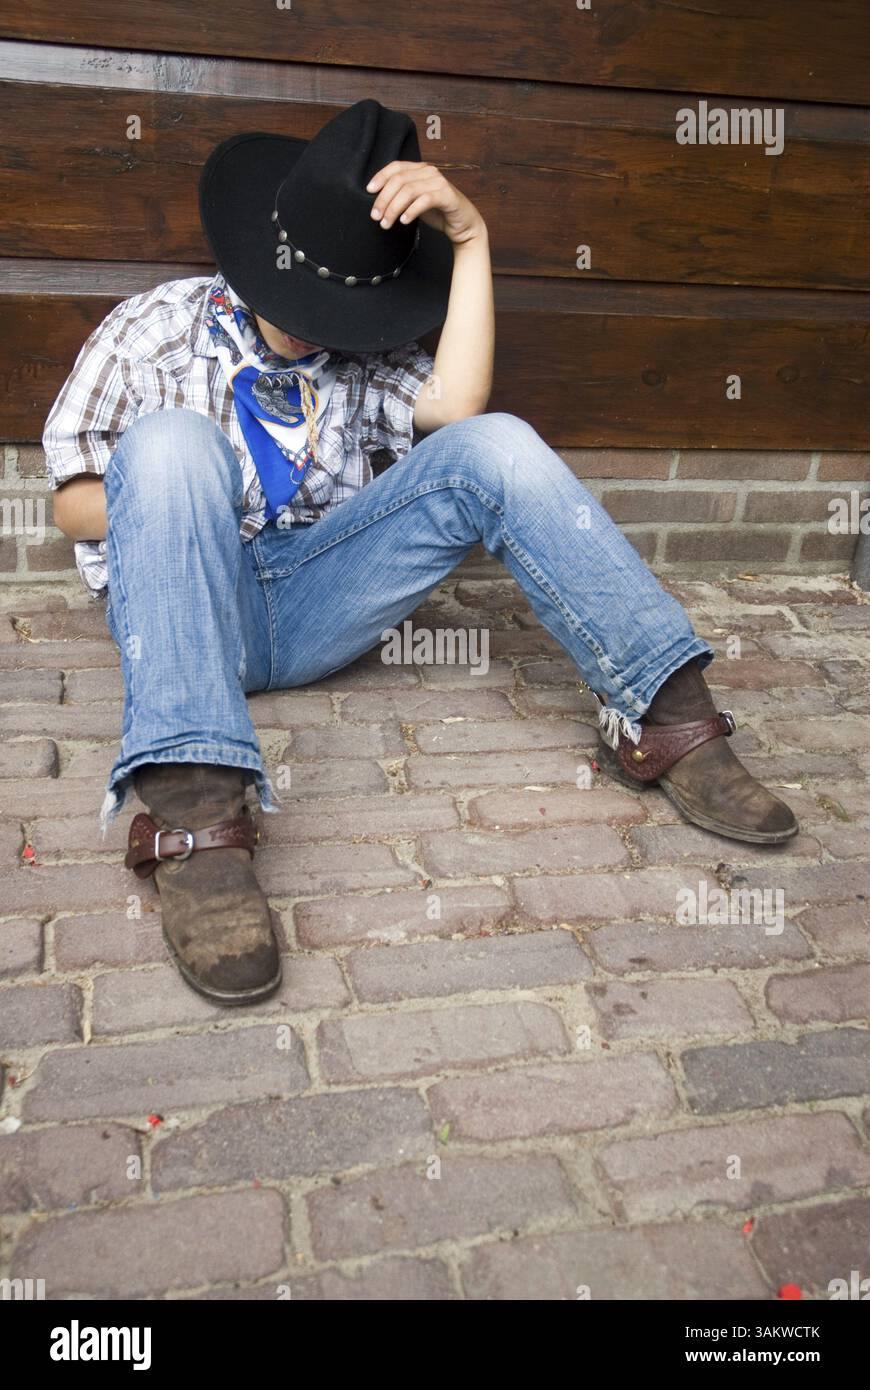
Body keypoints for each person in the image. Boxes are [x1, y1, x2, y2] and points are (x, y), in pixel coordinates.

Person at [43, 99, 797, 1007]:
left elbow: (460, 414)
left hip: (318, 598)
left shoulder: (364, 349)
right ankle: (197, 821)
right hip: (186, 614)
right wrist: (197, 492)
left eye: (341, 309)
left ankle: (666, 713)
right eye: (307, 303)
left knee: (499, 445)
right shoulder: (152, 331)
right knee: (168, 443)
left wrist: (472, 238)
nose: (319, 327)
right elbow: (73, 506)